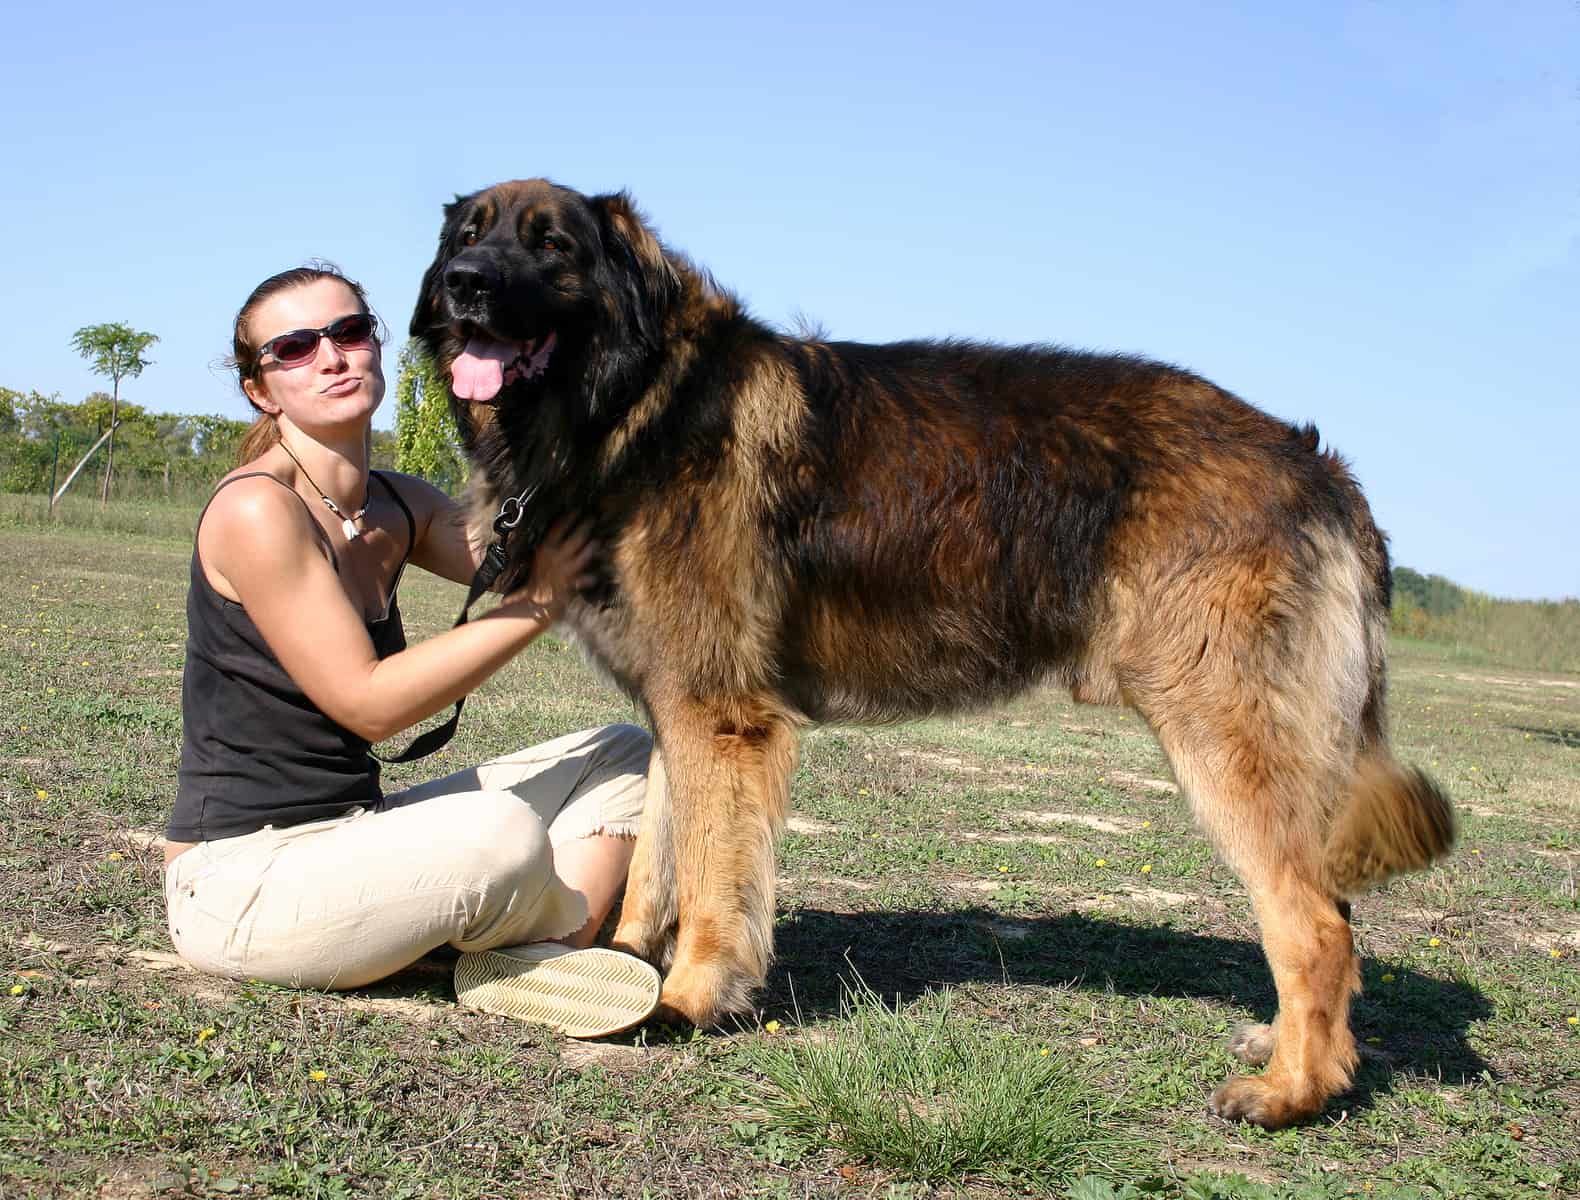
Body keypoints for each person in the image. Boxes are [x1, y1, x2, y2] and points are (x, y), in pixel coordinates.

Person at [162, 263, 660, 1038]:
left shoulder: (398, 505)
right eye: (293, 348)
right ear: (261, 389)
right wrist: (539, 604)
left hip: (354, 833)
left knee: (625, 754)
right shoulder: (259, 509)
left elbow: (554, 549)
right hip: (243, 883)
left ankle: (541, 946)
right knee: (499, 835)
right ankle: (549, 934)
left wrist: (563, 403)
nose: (331, 356)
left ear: (378, 347)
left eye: (350, 331)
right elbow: (369, 703)